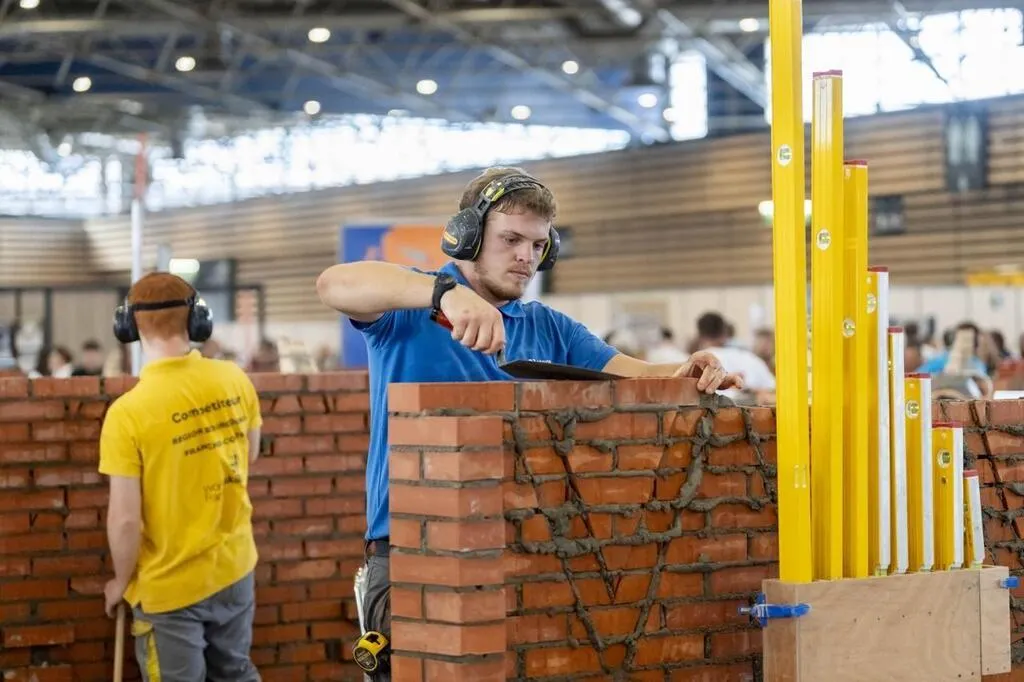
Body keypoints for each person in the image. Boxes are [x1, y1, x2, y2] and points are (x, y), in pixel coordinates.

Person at [315, 166, 743, 681]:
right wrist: (443, 294)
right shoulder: (410, 310)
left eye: (538, 245)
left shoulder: (549, 327)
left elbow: (638, 376)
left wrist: (690, 371)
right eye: (511, 239)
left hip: (527, 545)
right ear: (467, 237)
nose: (525, 256)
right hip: (413, 548)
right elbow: (334, 283)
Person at [98, 272, 263, 682]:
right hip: (234, 568)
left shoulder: (128, 413)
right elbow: (250, 453)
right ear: (197, 321)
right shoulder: (234, 379)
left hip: (168, 586)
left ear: (129, 327)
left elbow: (123, 519)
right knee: (236, 673)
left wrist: (120, 581)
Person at [692, 311, 775, 403]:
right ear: (725, 333)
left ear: (699, 336)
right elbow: (772, 389)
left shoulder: (694, 364)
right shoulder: (750, 358)